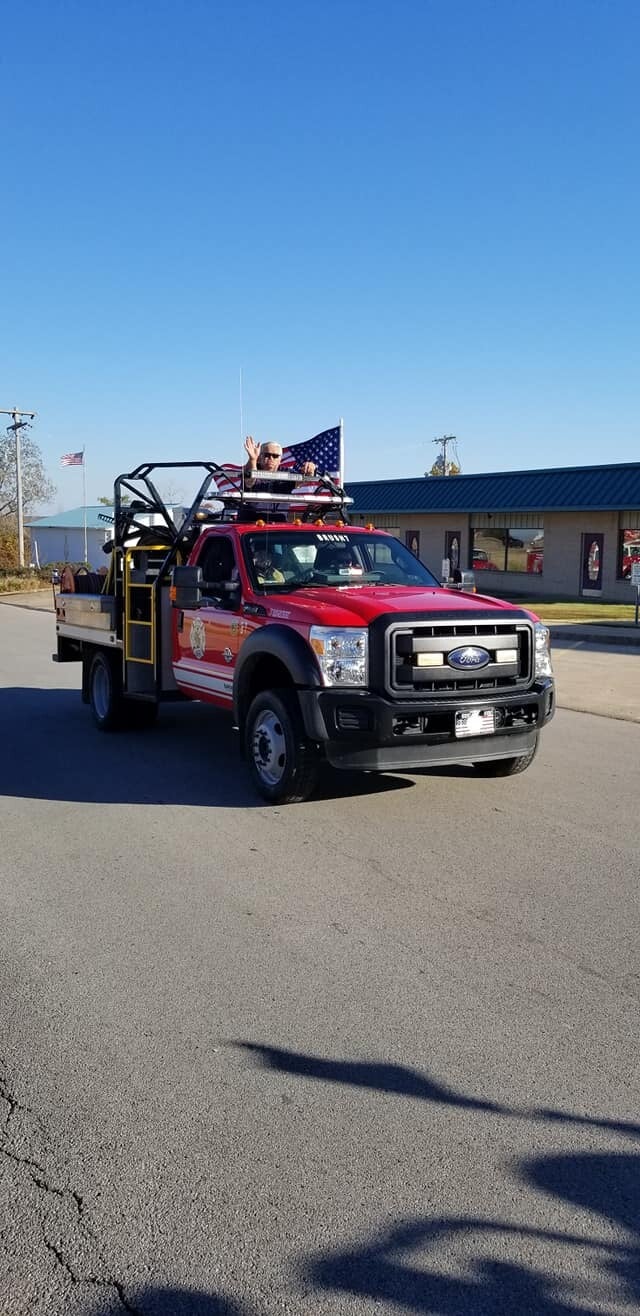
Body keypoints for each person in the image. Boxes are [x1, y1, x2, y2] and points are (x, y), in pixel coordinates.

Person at [243, 436, 316, 492]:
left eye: (275, 456)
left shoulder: (287, 473)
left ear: (280, 460)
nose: (271, 458)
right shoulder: (253, 468)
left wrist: (311, 470)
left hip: (279, 512)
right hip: (252, 512)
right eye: (267, 455)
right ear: (259, 457)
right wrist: (252, 459)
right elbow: (249, 481)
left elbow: (301, 481)